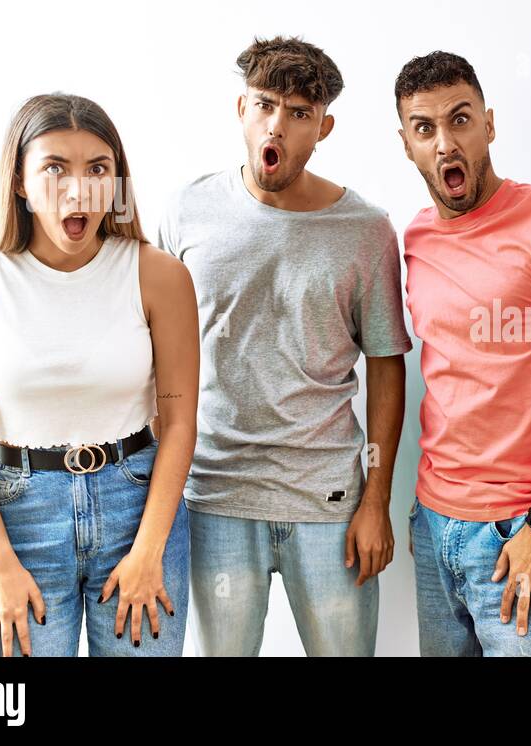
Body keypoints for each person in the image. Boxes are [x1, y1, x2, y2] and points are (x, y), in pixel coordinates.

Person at [158, 36, 410, 656]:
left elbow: (386, 368)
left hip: (328, 501)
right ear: (240, 108)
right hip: (215, 493)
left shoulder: (366, 229)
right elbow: (156, 355)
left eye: (299, 113)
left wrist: (375, 497)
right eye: (266, 104)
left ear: (323, 126)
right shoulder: (187, 211)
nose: (278, 125)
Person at [0, 93, 198, 656]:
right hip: (18, 517)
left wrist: (150, 550)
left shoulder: (160, 277)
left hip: (137, 505)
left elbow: (177, 423)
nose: (79, 190)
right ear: (20, 181)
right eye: (55, 168)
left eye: (98, 169)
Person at [396, 51, 531, 656]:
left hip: (526, 524)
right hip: (436, 520)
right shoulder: (414, 239)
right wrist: (430, 517)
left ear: (489, 124)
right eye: (425, 128)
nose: (445, 143)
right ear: (406, 144)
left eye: (460, 119)